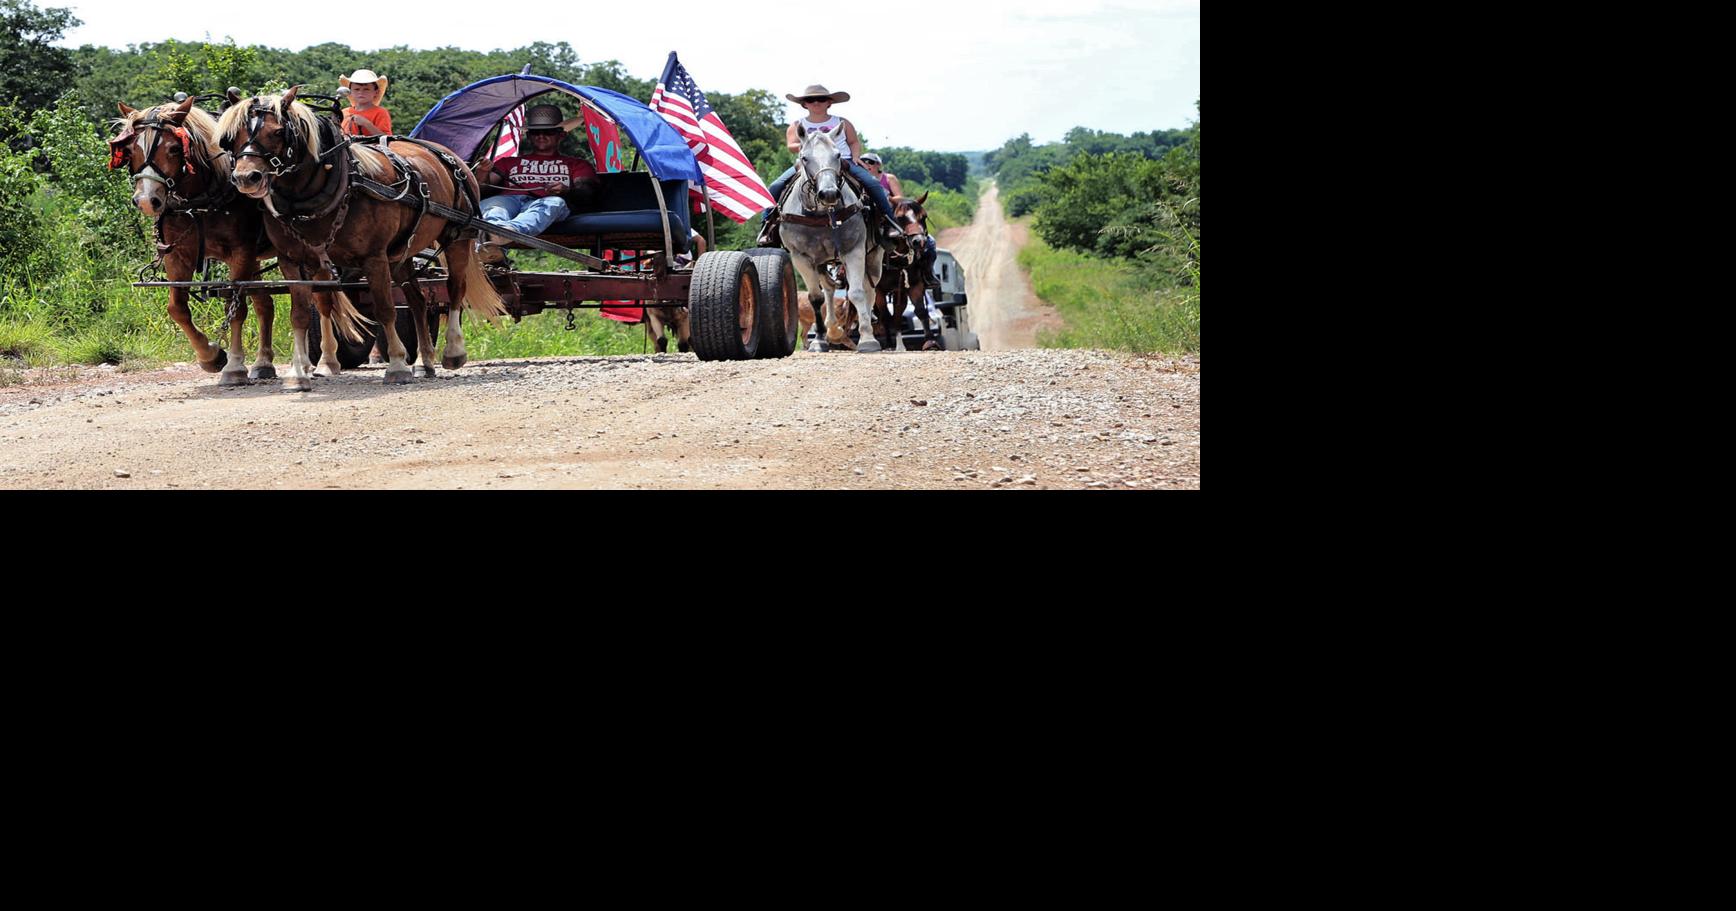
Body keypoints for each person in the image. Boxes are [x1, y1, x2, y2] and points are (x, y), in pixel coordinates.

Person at [758, 85, 902, 247]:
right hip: (809, 162)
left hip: (841, 160)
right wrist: (814, 148)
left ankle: (890, 222)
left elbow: (853, 142)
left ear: (829, 103)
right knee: (776, 186)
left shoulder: (842, 122)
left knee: (873, 184)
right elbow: (791, 145)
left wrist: (855, 157)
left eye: (821, 99)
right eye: (811, 99)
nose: (816, 102)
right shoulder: (797, 125)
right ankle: (767, 227)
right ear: (804, 104)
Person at [474, 103, 601, 257]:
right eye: (535, 133)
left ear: (561, 135)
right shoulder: (507, 162)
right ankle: (494, 238)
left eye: (548, 132)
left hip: (547, 203)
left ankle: (501, 234)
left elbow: (588, 193)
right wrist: (482, 172)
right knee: (495, 206)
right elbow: (481, 190)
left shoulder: (577, 164)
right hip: (509, 201)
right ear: (528, 136)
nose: (541, 136)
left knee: (554, 202)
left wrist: (566, 190)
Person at [861, 153, 942, 289]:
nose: (866, 164)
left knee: (930, 243)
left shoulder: (888, 178)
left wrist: (885, 196)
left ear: (878, 165)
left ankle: (928, 273)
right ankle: (842, 273)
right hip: (867, 218)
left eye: (870, 162)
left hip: (891, 218)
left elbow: (899, 197)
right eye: (863, 162)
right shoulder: (858, 178)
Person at [338, 69, 393, 137]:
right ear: (350, 92)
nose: (361, 92)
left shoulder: (380, 112)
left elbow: (387, 139)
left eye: (366, 89)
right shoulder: (343, 112)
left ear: (376, 92)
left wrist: (366, 123)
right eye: (357, 89)